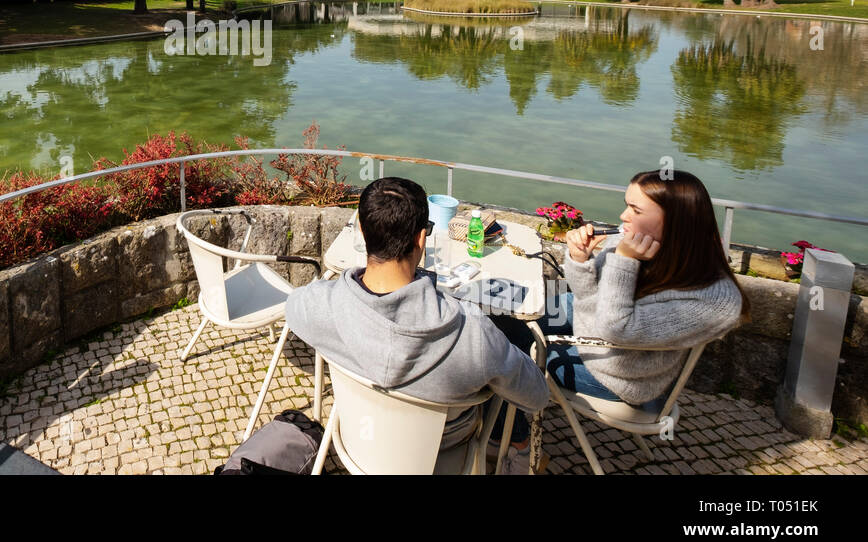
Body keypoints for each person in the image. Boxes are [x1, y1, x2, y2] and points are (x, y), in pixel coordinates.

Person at [286, 176, 548, 471]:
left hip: (356, 444)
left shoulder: (321, 306)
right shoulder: (474, 335)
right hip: (444, 456)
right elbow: (536, 396)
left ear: (361, 230)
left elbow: (292, 307)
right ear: (421, 239)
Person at [492, 169, 749, 445]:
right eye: (627, 205)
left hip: (620, 377)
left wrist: (625, 262)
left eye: (635, 210)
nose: (624, 216)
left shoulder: (716, 300)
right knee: (500, 322)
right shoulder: (632, 240)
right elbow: (588, 297)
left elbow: (613, 330)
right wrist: (580, 260)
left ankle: (514, 443)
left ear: (675, 220)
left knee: (502, 354)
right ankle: (491, 416)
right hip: (594, 328)